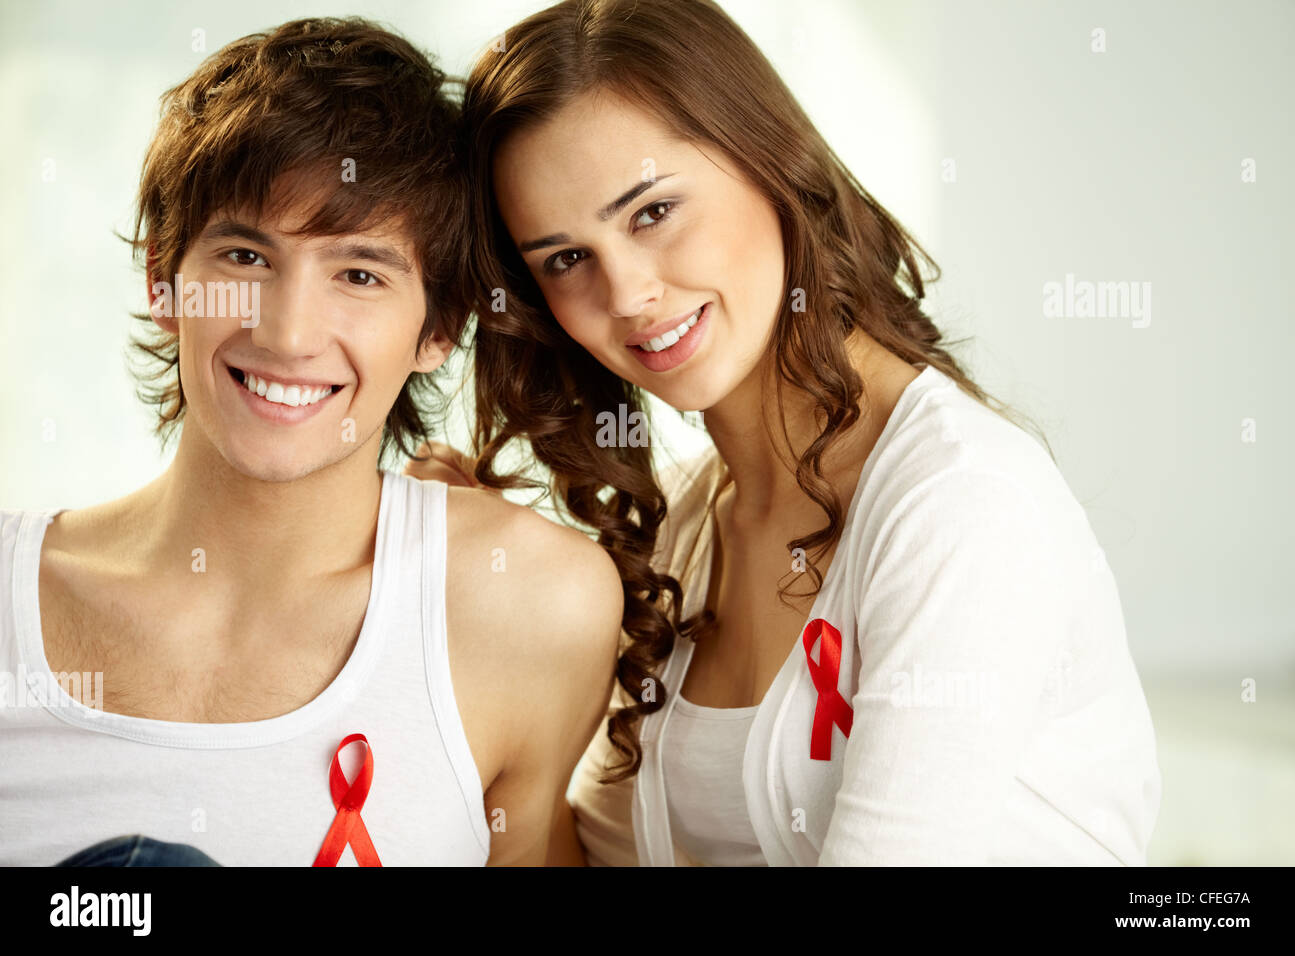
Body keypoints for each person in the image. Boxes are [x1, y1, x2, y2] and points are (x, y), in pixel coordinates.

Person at [410, 0, 1162, 865]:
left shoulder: (961, 506)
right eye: (566, 259)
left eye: (652, 212)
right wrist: (476, 624)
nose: (627, 294)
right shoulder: (687, 526)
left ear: (768, 160)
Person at [0, 16, 621, 867]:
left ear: (440, 327)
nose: (287, 335)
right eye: (245, 258)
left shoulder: (530, 606)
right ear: (164, 282)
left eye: (359, 274)